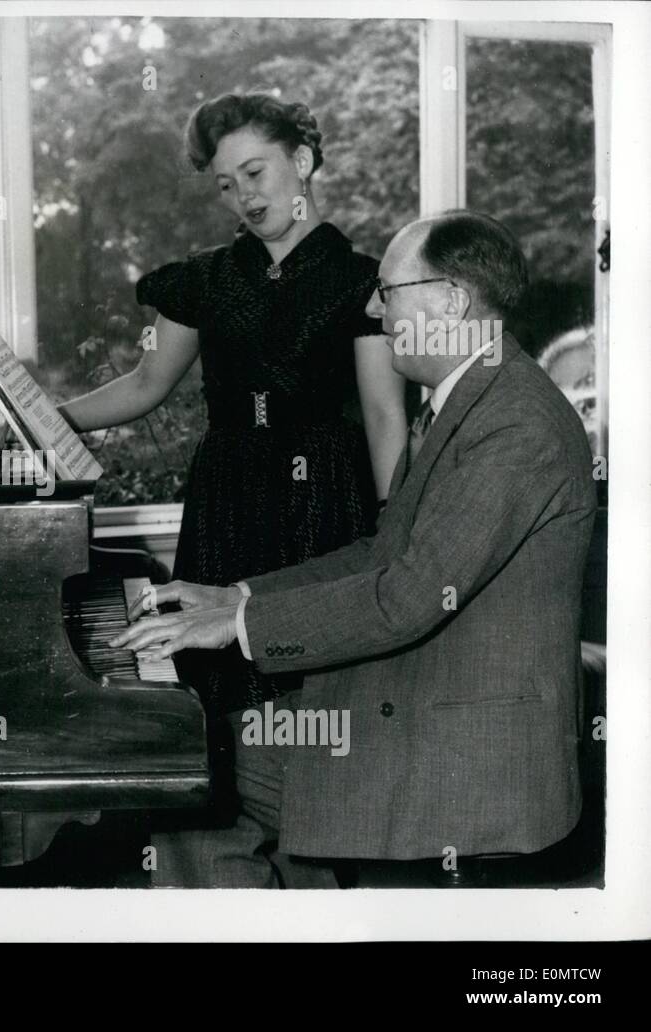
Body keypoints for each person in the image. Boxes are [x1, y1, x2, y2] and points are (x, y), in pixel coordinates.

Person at [113, 211, 597, 888]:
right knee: (197, 765)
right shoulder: (466, 399)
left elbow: (404, 598)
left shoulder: (515, 425)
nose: (371, 307)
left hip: (465, 759)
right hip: (425, 705)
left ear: (451, 301)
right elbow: (382, 553)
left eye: (387, 290)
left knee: (197, 776)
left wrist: (240, 628)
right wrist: (237, 596)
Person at [60, 93, 406, 720]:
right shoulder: (204, 280)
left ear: (301, 160)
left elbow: (385, 416)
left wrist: (395, 523)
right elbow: (144, 383)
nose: (244, 197)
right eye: (225, 185)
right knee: (218, 693)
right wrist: (47, 421)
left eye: (254, 173)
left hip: (327, 499)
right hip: (228, 499)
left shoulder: (362, 281)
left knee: (320, 693)